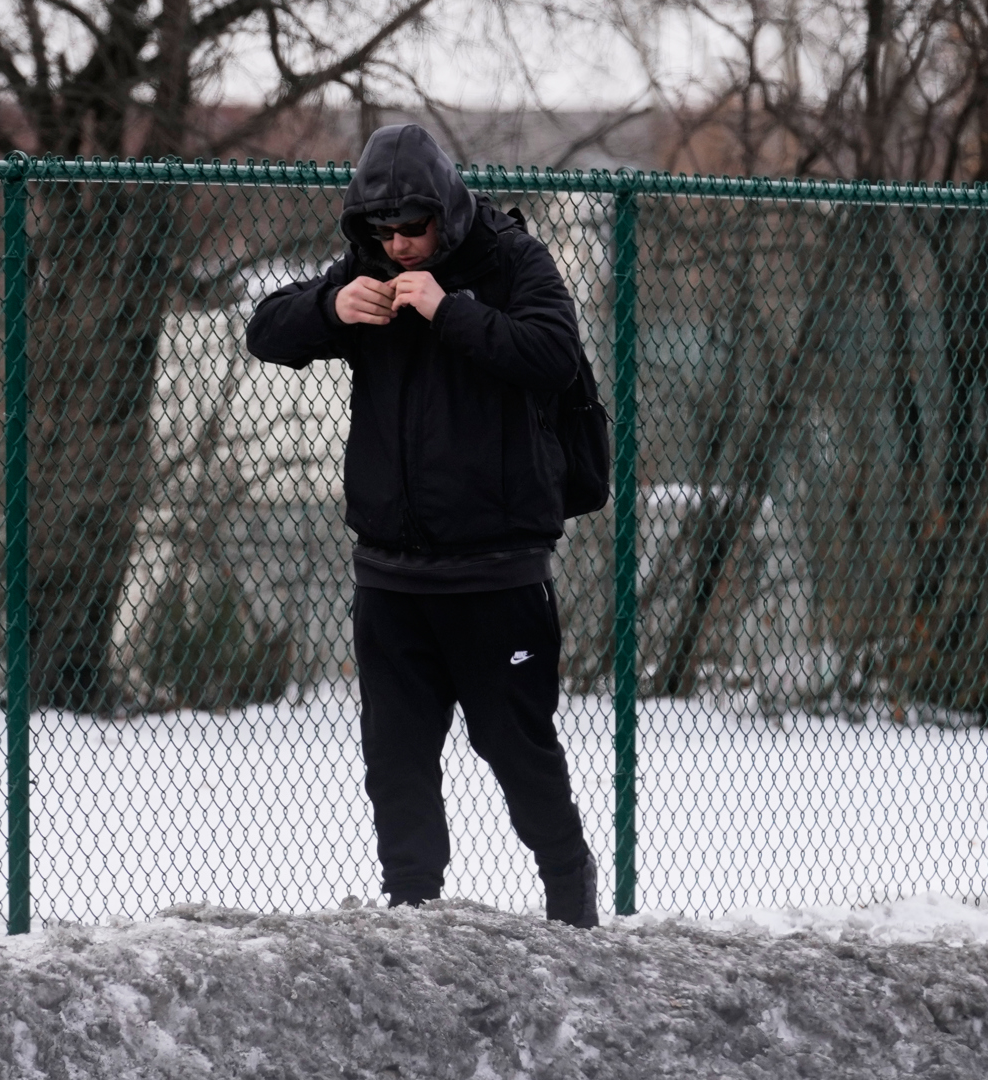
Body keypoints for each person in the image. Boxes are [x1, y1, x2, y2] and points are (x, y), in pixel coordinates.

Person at [245, 123, 600, 928]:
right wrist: (332, 308)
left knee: (517, 751)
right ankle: (412, 916)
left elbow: (552, 354)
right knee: (396, 762)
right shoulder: (367, 267)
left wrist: (451, 312)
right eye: (382, 230)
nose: (399, 244)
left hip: (498, 571)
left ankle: (571, 900)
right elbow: (264, 330)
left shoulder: (513, 261)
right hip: (391, 575)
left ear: (445, 210)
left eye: (413, 227)